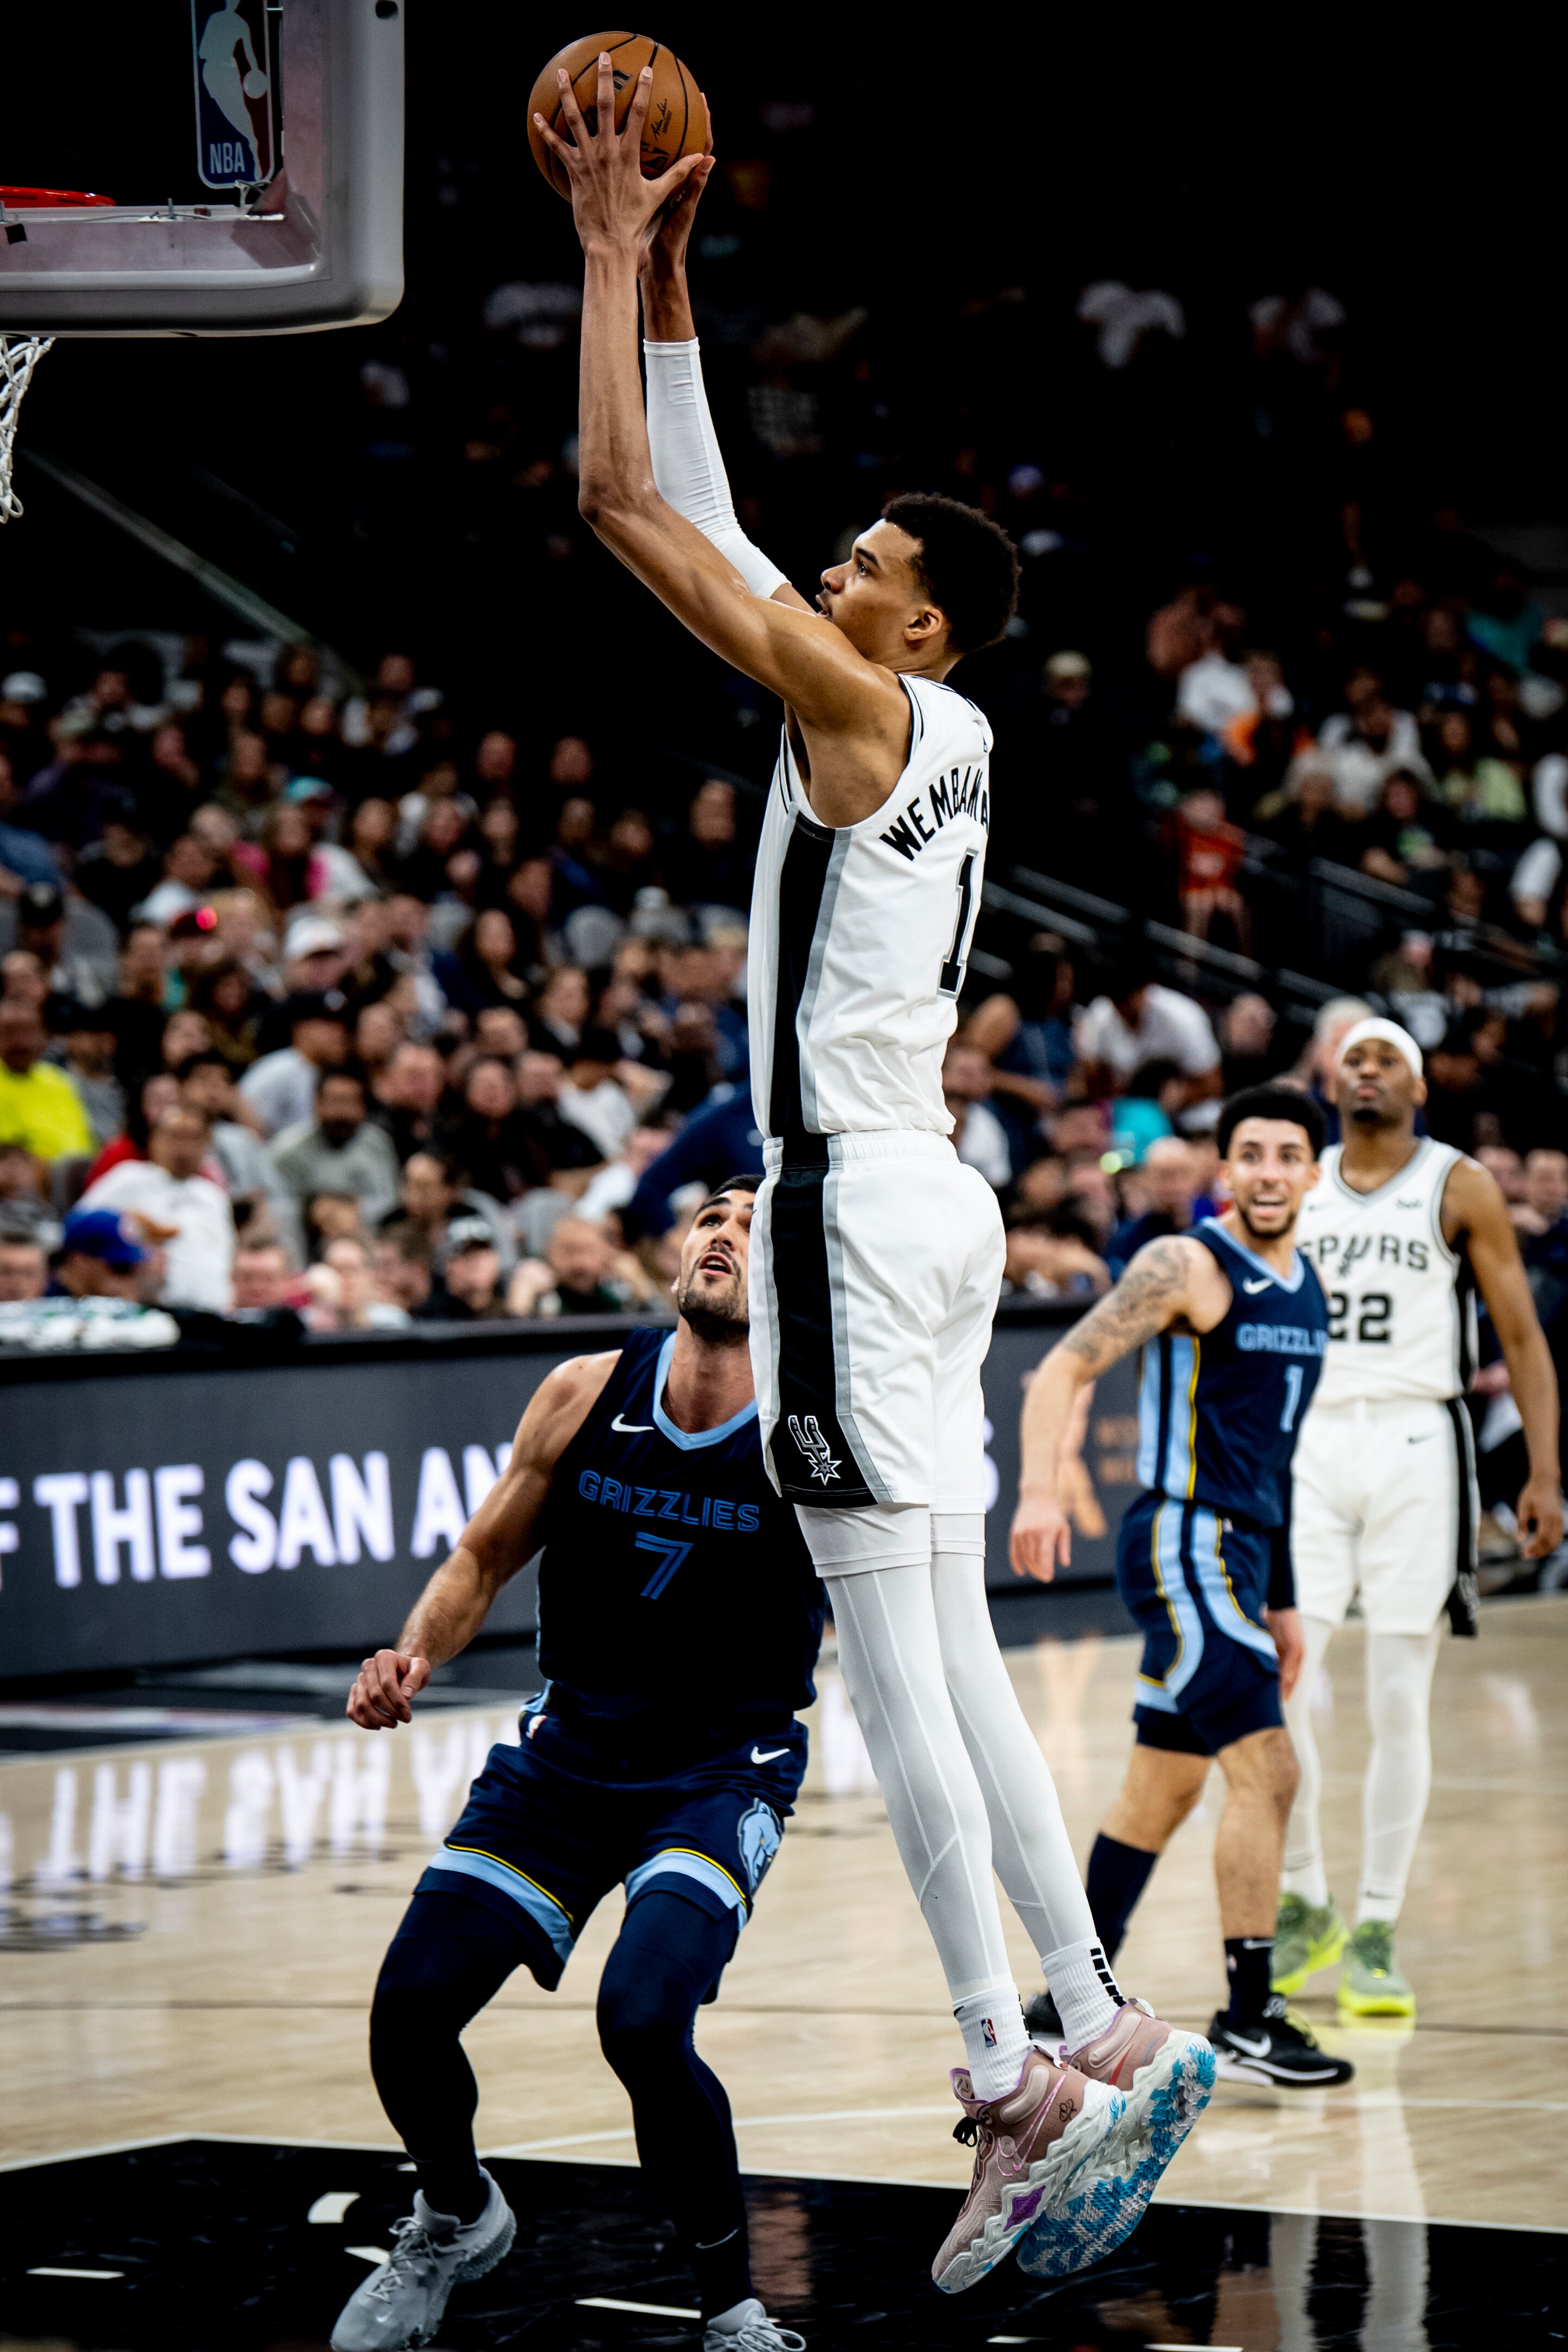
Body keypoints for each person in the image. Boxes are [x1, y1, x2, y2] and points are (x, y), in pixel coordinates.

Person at [536, 73, 1204, 2294]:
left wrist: (600, 247)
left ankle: (1006, 2067)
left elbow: (621, 499)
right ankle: (1101, 2015)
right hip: (933, 1197)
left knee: (885, 1661)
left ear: (909, 631)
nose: (822, 577)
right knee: (950, 1646)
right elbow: (717, 516)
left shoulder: (850, 713)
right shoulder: (954, 726)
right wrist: (676, 269)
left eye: (860, 573)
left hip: (842, 1206)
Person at [329, 1183, 817, 2352]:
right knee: (407, 2014)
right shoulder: (585, 1390)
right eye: (710, 1217)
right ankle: (455, 2214)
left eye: (752, 1226)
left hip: (720, 1771)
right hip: (567, 1759)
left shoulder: (812, 1434)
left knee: (641, 2021)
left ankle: (731, 2311)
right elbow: (480, 1555)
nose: (721, 1234)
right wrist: (414, 1651)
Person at [1011, 1087, 1353, 2090]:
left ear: (1312, 1173)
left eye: (1286, 1154)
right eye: (1249, 1153)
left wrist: (1280, 1597)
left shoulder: (1308, 1289)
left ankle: (1064, 1999)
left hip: (1241, 1555)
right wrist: (1039, 1492)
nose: (1266, 1171)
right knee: (1270, 1772)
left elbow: (1274, 1461)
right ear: (1223, 1168)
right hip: (1181, 1538)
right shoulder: (1186, 1265)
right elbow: (1057, 1371)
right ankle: (1249, 2018)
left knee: (1161, 1788)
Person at [1282, 1018, 1563, 2015]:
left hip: (1416, 1439)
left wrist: (1544, 1471)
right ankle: (1304, 1899)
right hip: (1310, 1441)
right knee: (1283, 1682)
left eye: (1385, 1059)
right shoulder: (1297, 1178)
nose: (1366, 1071)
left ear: (1418, 1087)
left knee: (1399, 1695)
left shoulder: (1458, 1183)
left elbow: (1520, 1336)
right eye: (1353, 1058)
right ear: (1331, 1080)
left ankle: (1374, 1926)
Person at [80, 1104, 236, 1311]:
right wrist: (132, 1228)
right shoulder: (129, 1179)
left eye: (193, 1138)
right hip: (154, 1309)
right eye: (175, 1137)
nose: (184, 1148)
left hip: (216, 1313)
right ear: (154, 1140)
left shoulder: (214, 1196)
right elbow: (78, 1230)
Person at [0, 1001, 93, 1164]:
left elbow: (85, 1141)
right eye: (10, 1032)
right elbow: (10, 1156)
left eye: (29, 1032)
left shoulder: (58, 1080)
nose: (22, 1042)